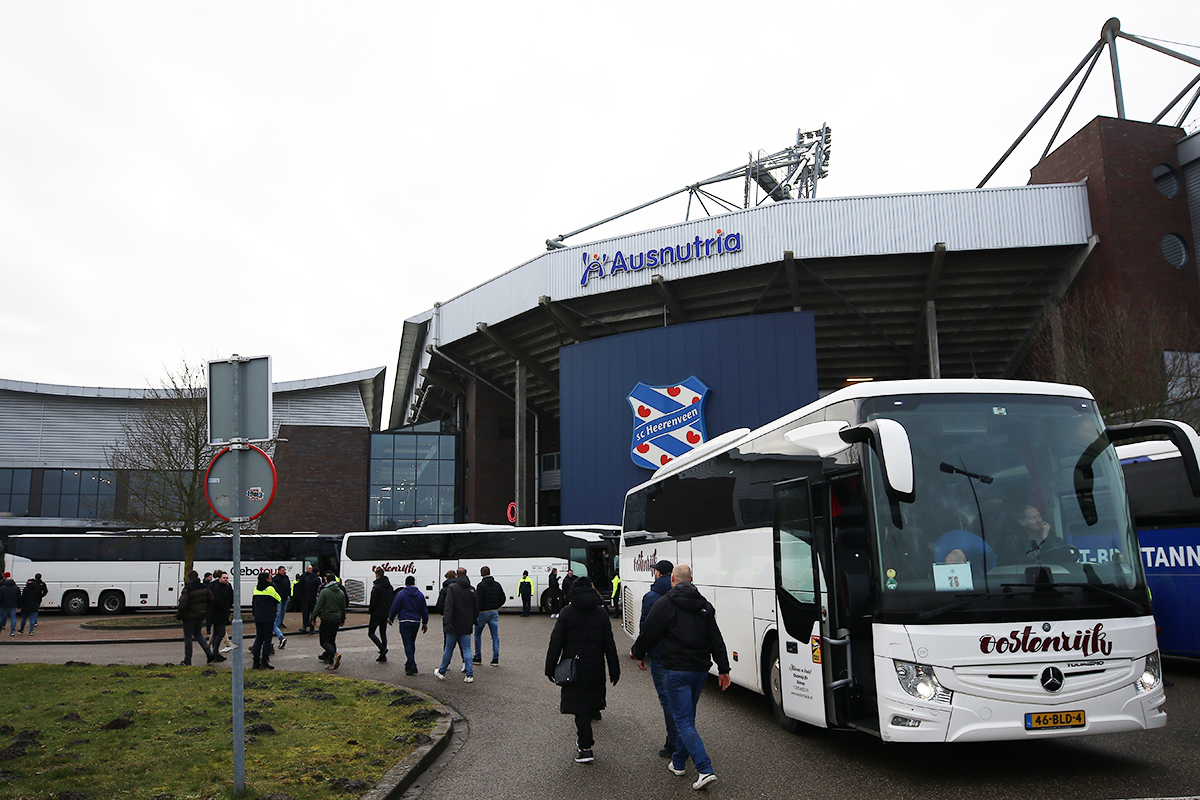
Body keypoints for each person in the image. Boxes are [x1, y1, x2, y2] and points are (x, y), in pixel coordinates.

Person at [631, 564, 731, 791]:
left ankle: (705, 769)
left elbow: (650, 632)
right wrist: (723, 668)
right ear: (692, 579)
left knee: (684, 721)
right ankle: (678, 763)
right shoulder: (704, 606)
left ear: (673, 579)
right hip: (699, 671)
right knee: (687, 717)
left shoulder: (665, 603)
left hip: (676, 670)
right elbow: (716, 639)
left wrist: (638, 653)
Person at [544, 576, 620, 764]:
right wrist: (614, 668)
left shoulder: (567, 613)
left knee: (579, 708)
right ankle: (595, 712)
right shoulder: (601, 613)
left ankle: (585, 748)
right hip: (595, 665)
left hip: (574, 667)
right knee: (592, 695)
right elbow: (609, 644)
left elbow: (556, 643)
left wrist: (550, 668)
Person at [636, 559, 678, 759]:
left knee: (666, 699)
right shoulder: (680, 592)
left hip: (660, 655)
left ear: (659, 574)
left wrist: (639, 652)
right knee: (682, 699)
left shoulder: (651, 596)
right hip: (681, 654)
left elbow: (646, 628)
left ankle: (673, 742)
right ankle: (683, 736)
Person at [436, 568, 477, 683]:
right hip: (466, 624)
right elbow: (476, 607)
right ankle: (469, 675)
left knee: (449, 647)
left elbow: (449, 606)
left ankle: (442, 671)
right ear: (466, 575)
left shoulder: (452, 588)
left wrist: (446, 622)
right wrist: (473, 620)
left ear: (456, 576)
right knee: (467, 648)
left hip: (453, 623)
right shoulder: (471, 589)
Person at [389, 575, 429, 675]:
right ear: (414, 583)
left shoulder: (401, 594)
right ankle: (408, 663)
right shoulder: (420, 594)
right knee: (411, 642)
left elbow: (395, 607)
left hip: (404, 621)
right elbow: (424, 610)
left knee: (407, 643)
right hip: (416, 621)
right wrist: (425, 623)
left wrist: (390, 618)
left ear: (405, 583)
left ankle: (412, 664)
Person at [177, 570, 216, 666]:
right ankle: (209, 653)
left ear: (189, 578)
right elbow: (211, 600)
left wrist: (179, 616)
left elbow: (183, 604)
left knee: (188, 637)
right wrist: (205, 611)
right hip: (200, 615)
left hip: (189, 616)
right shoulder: (205, 587)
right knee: (198, 634)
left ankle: (187, 660)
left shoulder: (187, 589)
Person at [314, 572, 348, 669]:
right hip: (337, 619)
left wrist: (313, 618)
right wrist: (342, 619)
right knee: (331, 640)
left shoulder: (324, 592)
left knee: (324, 641)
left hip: (327, 618)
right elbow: (343, 608)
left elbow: (318, 605)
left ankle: (334, 655)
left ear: (326, 580)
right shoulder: (340, 592)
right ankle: (331, 662)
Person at [473, 566, 505, 666]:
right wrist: (496, 606)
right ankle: (495, 659)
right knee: (495, 636)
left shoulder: (480, 585)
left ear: (481, 574)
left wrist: (476, 612)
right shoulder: (497, 585)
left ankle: (478, 657)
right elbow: (502, 598)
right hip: (494, 612)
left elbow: (478, 601)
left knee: (477, 634)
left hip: (482, 613)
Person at [251, 572, 281, 670]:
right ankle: (264, 662)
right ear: (267, 579)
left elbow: (253, 603)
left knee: (259, 639)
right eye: (270, 578)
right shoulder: (270, 589)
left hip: (258, 618)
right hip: (268, 617)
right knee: (267, 640)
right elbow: (278, 599)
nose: (271, 579)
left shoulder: (256, 589)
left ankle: (255, 662)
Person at [367, 567, 394, 663]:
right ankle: (383, 655)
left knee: (371, 633)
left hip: (376, 613)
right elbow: (391, 600)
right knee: (383, 633)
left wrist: (370, 611)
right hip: (385, 612)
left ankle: (382, 648)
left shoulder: (377, 587)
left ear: (377, 575)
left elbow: (373, 602)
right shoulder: (390, 587)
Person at [207, 570, 233, 658]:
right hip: (218, 613)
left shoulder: (227, 586)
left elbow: (230, 598)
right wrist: (225, 610)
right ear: (220, 578)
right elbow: (217, 601)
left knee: (216, 633)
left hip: (221, 613)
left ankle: (214, 652)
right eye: (224, 578)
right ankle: (215, 652)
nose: (226, 580)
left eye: (227, 578)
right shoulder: (216, 587)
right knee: (220, 632)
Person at [296, 565, 322, 633]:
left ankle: (304, 626)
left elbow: (301, 587)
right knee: (313, 613)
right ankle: (312, 628)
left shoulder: (306, 578)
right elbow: (319, 589)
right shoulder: (317, 579)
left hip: (305, 598)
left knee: (306, 612)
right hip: (313, 598)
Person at [272, 566, 291, 649]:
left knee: (283, 611)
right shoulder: (276, 578)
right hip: (279, 597)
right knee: (278, 612)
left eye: (284, 570)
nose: (284, 572)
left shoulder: (286, 577)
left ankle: (281, 622)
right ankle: (277, 624)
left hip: (285, 597)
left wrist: (288, 594)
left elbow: (288, 586)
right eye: (282, 570)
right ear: (279, 571)